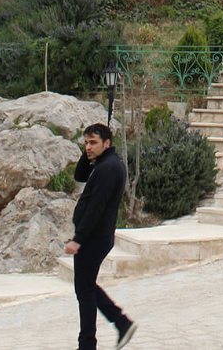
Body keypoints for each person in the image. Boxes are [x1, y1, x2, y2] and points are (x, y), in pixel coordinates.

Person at [64, 124, 136, 350]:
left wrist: (79, 238)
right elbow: (80, 175)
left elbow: (96, 207)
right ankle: (116, 326)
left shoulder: (109, 168)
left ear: (107, 143)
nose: (88, 147)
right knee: (85, 287)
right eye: (86, 143)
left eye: (93, 142)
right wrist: (89, 154)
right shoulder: (105, 163)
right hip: (96, 236)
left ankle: (104, 334)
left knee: (84, 289)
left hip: (95, 237)